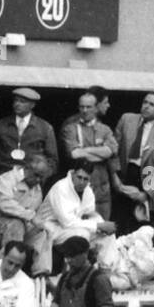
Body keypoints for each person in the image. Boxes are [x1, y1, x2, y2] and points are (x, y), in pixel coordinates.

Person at [31, 161, 113, 277]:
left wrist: (103, 225)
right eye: (79, 177)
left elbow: (90, 214)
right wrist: (98, 226)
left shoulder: (87, 190)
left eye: (86, 179)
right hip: (50, 227)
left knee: (107, 234)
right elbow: (67, 222)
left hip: (72, 226)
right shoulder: (61, 188)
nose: (82, 182)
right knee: (81, 234)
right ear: (73, 174)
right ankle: (71, 275)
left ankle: (105, 272)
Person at [109, 92, 154, 236]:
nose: (146, 107)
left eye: (152, 105)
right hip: (123, 173)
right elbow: (113, 150)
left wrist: (145, 194)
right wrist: (116, 179)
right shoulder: (127, 119)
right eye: (145, 102)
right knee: (117, 222)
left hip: (146, 176)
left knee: (139, 226)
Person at [59, 91, 117, 220]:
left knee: (103, 224)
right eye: (82, 107)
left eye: (88, 107)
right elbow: (74, 154)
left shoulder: (105, 129)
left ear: (96, 108)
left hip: (105, 186)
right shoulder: (71, 128)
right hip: (82, 185)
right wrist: (100, 153)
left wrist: (84, 150)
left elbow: (109, 152)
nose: (85, 110)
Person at [94, 208, 154, 290]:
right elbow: (123, 241)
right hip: (118, 258)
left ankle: (99, 274)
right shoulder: (146, 231)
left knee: (102, 282)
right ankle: (99, 269)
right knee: (105, 231)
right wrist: (109, 251)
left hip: (127, 278)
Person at [49, 235, 113, 307]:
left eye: (73, 256)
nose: (68, 260)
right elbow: (56, 302)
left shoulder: (99, 279)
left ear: (85, 254)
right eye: (66, 256)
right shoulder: (64, 278)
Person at [0, 87, 58, 175]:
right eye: (15, 101)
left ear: (32, 105)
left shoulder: (45, 128)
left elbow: (52, 161)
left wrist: (40, 179)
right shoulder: (1, 125)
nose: (17, 104)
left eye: (22, 101)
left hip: (31, 177)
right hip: (3, 174)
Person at [0, 152, 52, 249]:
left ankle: (35, 263)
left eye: (41, 177)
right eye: (36, 175)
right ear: (27, 168)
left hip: (24, 225)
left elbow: (35, 216)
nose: (38, 180)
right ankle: (9, 260)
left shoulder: (37, 190)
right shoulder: (7, 178)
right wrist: (29, 216)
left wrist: (41, 226)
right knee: (16, 225)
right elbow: (4, 204)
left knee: (43, 233)